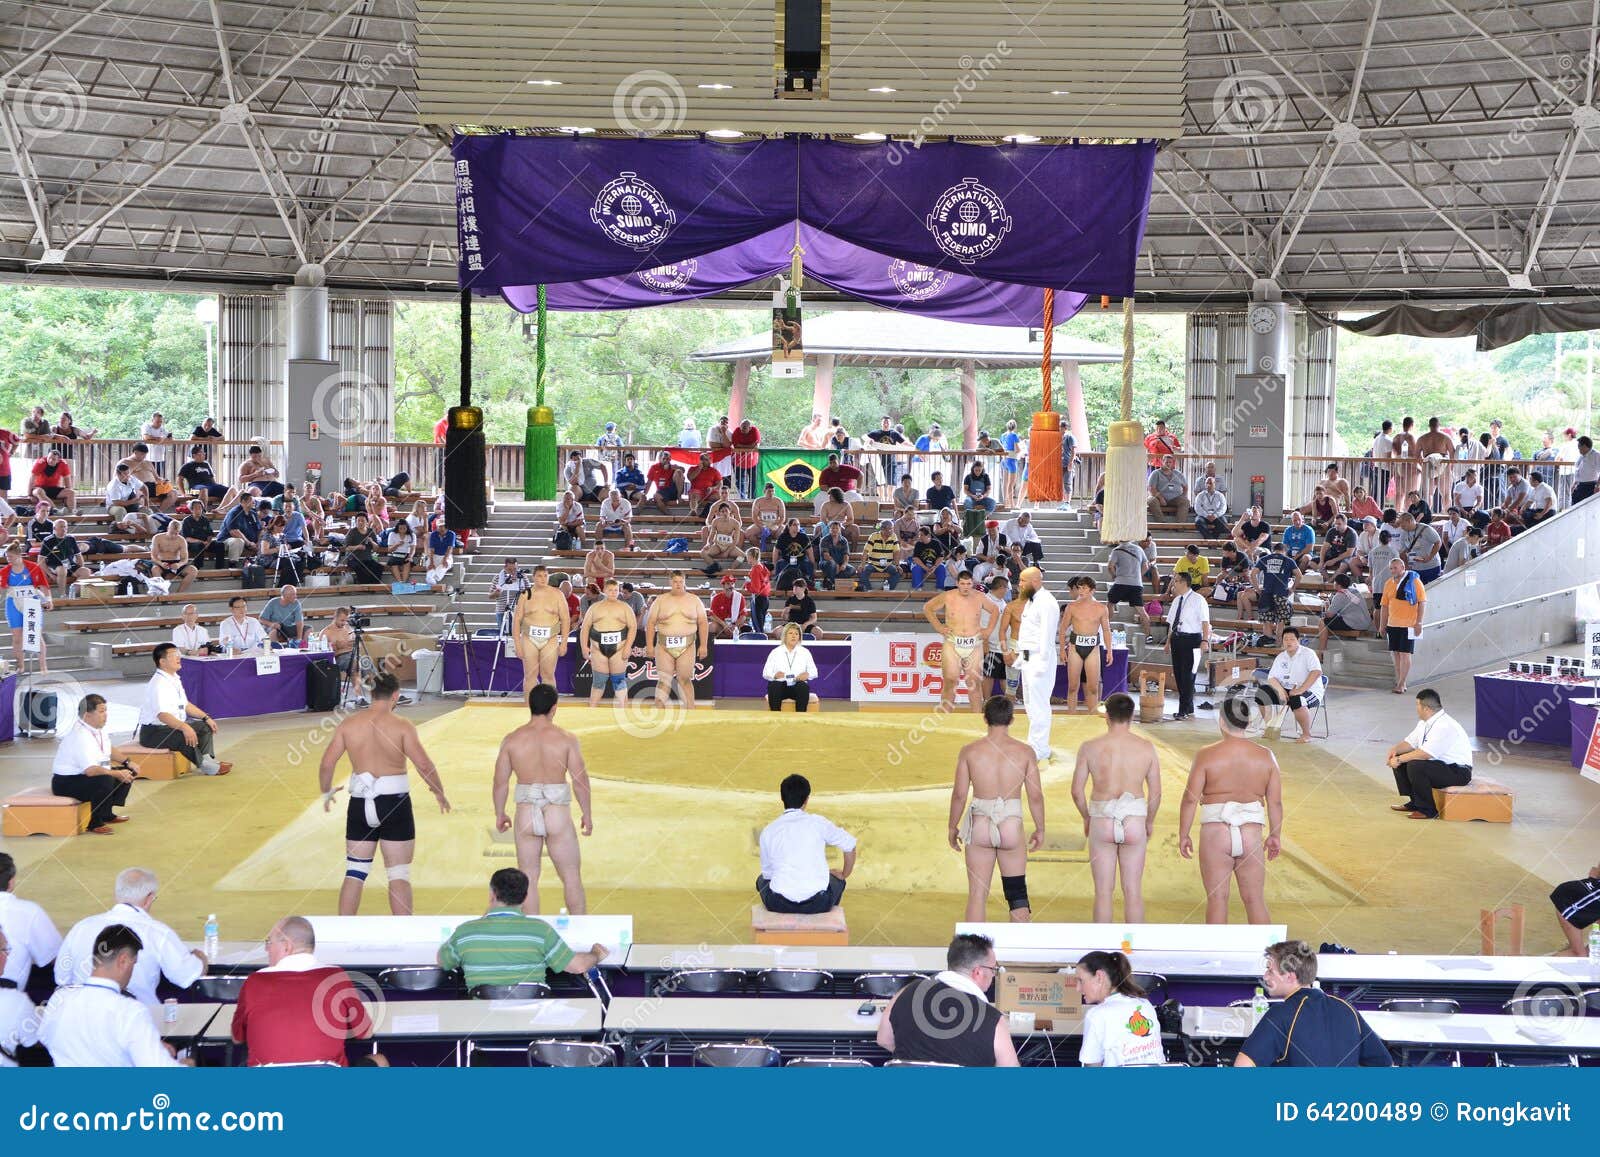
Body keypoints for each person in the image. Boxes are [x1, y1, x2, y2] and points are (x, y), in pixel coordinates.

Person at [319, 672, 450, 915]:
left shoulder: (349, 725)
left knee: (355, 871)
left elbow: (327, 764)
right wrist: (438, 792)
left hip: (360, 803)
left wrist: (326, 791)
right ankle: (404, 933)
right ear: (396, 695)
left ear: (371, 693)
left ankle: (343, 930)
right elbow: (423, 764)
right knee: (399, 873)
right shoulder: (402, 726)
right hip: (395, 803)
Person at [1178, 697, 1283, 924]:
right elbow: (1275, 802)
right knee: (1255, 899)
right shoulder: (1266, 756)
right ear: (1247, 722)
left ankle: (1218, 950)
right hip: (1251, 834)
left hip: (1216, 832)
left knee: (1217, 899)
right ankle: (1268, 949)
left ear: (1221, 722)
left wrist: (1183, 834)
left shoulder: (1206, 754)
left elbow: (1190, 799)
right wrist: (1275, 835)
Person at [492, 685, 593, 914]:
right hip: (557, 813)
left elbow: (500, 782)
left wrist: (500, 813)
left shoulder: (512, 740)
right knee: (571, 876)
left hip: (526, 813)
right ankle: (580, 927)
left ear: (530, 706)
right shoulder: (566, 739)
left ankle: (532, 931)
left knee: (527, 878)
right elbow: (580, 781)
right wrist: (586, 814)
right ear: (554, 708)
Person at [948, 696, 1045, 922]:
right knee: (1017, 896)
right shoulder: (1025, 752)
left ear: (985, 718)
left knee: (977, 896)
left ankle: (973, 948)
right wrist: (1040, 828)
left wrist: (952, 826)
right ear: (1011, 719)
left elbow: (959, 795)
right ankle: (1017, 945)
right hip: (1011, 826)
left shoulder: (970, 751)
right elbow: (1035, 796)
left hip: (980, 826)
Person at [232, 915, 372, 1066]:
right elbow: (365, 1032)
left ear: (287, 946)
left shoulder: (254, 981)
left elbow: (237, 1037)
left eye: (269, 942)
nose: (267, 949)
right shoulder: (336, 977)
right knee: (379, 1060)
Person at [1071, 694, 1161, 924]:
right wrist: (1149, 821)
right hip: (1135, 819)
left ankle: (1103, 946)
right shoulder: (1146, 748)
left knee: (1103, 892)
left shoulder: (1089, 747)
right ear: (1131, 717)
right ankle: (1133, 946)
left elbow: (1076, 791)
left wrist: (1087, 817)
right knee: (1133, 892)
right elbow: (1156, 793)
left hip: (1102, 818)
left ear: (1107, 717)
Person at [39, 925, 182, 1067]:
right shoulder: (131, 1011)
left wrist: (146, 1044)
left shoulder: (58, 1000)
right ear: (123, 961)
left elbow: (45, 1038)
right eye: (133, 963)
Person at [54, 868, 204, 1003]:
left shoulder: (81, 927)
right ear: (149, 898)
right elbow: (188, 976)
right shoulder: (158, 932)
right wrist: (200, 959)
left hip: (82, 1016)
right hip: (140, 1015)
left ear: (116, 895)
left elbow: (61, 977)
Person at [439, 869, 607, 988]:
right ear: (525, 897)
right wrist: (596, 954)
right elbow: (578, 966)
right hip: (532, 1017)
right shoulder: (541, 931)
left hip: (483, 1018)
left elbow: (442, 961)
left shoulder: (465, 932)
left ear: (492, 894)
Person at [1235, 940, 1392, 1067]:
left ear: (1289, 977)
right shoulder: (1347, 1009)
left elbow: (1243, 1067)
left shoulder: (1280, 1014)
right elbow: (1384, 1064)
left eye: (1270, 970)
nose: (1265, 977)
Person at [877, 933, 1017, 1067]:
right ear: (978, 972)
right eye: (993, 969)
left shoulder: (906, 991)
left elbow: (884, 1040)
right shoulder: (994, 1020)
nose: (993, 974)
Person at [757, 774, 857, 914]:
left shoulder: (769, 830)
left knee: (761, 880)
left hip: (779, 904)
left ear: (782, 798)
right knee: (838, 880)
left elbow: (768, 874)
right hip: (819, 903)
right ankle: (823, 914)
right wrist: (844, 874)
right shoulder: (818, 823)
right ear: (806, 799)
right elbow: (850, 845)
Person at [138, 643, 228, 775]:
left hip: (168, 727)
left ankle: (208, 760)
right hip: (154, 733)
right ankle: (206, 766)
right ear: (162, 662)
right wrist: (185, 727)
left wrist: (206, 717)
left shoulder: (174, 678)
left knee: (204, 726)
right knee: (182, 735)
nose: (178, 657)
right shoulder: (159, 684)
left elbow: (185, 705)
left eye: (178, 654)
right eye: (173, 655)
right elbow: (162, 715)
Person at [50, 694, 135, 834]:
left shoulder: (96, 728)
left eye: (106, 711)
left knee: (127, 772)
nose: (105, 715)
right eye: (101, 711)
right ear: (87, 715)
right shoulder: (80, 735)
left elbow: (108, 749)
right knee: (105, 779)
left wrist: (127, 762)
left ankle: (106, 814)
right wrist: (116, 773)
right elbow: (90, 771)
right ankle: (95, 823)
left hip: (83, 776)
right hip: (65, 783)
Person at [1385, 688, 1472, 819]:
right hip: (1441, 766)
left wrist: (1399, 759)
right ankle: (1415, 802)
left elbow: (1426, 754)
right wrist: (1394, 750)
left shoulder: (1445, 726)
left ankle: (1428, 810)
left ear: (1426, 708)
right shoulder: (1424, 723)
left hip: (1458, 772)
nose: (1416, 708)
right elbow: (1410, 743)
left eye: (1417, 705)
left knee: (1415, 765)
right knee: (1403, 760)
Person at [1076, 950, 1164, 1067]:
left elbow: (1091, 1067)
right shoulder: (1145, 1004)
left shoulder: (1096, 1015)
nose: (1078, 988)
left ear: (1099, 977)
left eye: (1081, 981)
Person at [923, 571, 993, 715]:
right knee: (950, 681)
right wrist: (939, 627)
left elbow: (995, 610)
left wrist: (988, 630)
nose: (965, 587)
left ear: (972, 583)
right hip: (952, 643)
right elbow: (928, 608)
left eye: (968, 583)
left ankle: (976, 719)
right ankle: (945, 718)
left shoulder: (980, 596)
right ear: (957, 583)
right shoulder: (948, 596)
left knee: (974, 683)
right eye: (962, 583)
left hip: (974, 644)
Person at [1013, 567, 1060, 765]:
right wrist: (1021, 656)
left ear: (1034, 581)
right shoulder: (1032, 601)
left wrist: (1042, 663)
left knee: (1039, 704)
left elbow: (1047, 636)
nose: (1019, 585)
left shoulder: (1047, 602)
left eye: (1022, 581)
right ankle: (1034, 743)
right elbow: (1028, 632)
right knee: (1030, 703)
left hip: (1040, 658)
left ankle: (1040, 749)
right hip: (1027, 657)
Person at [0, 853, 61, 988]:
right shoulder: (29, 911)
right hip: (8, 995)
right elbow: (56, 958)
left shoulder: (29, 911)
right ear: (11, 882)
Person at [649, 570, 708, 707]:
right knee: (664, 679)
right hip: (664, 644)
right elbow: (651, 623)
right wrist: (650, 646)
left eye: (681, 581)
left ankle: (690, 711)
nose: (678, 584)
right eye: (675, 581)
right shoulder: (660, 600)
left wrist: (703, 645)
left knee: (685, 679)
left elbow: (703, 622)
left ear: (684, 582)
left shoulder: (694, 600)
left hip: (687, 644)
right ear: (670, 582)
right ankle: (658, 710)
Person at [512, 565, 569, 695]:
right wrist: (517, 645)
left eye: (545, 576)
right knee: (530, 675)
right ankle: (529, 706)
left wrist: (564, 643)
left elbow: (565, 619)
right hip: (529, 638)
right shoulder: (525, 594)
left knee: (548, 674)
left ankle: (550, 705)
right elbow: (516, 620)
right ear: (533, 577)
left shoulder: (557, 594)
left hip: (550, 638)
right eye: (539, 576)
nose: (543, 578)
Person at [1056, 575, 1110, 712]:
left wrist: (1109, 651)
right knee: (1072, 686)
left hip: (1093, 648)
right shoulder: (1071, 607)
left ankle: (1092, 716)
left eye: (1084, 588)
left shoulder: (1101, 608)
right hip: (1075, 647)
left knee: (1093, 687)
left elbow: (1106, 630)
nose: (1081, 591)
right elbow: (1062, 629)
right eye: (1079, 588)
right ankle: (1071, 715)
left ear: (1092, 590)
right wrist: (1062, 650)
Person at [578, 578, 637, 706]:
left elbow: (633, 627)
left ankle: (624, 710)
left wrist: (628, 647)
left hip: (619, 648)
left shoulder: (625, 608)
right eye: (610, 590)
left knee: (619, 680)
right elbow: (585, 628)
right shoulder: (595, 607)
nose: (613, 592)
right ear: (604, 590)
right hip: (597, 648)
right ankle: (592, 710)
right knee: (599, 680)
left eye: (616, 590)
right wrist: (584, 647)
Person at [1260, 627, 1322, 742]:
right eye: (1286, 639)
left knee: (1297, 700)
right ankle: (1271, 728)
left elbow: (1316, 672)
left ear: (1298, 640)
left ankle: (1306, 734)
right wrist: (1280, 690)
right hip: (1287, 689)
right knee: (1262, 693)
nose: (1288, 642)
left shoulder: (1308, 653)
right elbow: (1272, 678)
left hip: (1310, 691)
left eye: (1292, 639)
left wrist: (1300, 690)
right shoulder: (1281, 657)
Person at [1164, 570, 1211, 720]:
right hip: (1177, 639)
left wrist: (1205, 640)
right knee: (1178, 673)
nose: (1174, 583)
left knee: (1188, 675)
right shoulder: (1177, 600)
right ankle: (1188, 707)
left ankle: (1182, 709)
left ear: (1184, 582)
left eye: (1176, 581)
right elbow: (1172, 624)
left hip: (1193, 640)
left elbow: (1205, 622)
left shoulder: (1198, 599)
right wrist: (1168, 642)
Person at [1376, 556, 1425, 694]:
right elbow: (1384, 606)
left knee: (1405, 654)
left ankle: (1402, 683)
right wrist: (1382, 625)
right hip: (1392, 624)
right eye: (1391, 568)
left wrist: (1419, 622)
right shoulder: (1388, 583)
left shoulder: (1414, 581)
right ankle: (1400, 681)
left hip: (1409, 624)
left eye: (1395, 568)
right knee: (1396, 654)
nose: (1393, 571)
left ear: (1403, 567)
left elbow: (1422, 602)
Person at [3, 542, 50, 671]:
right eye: (7, 557)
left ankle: (43, 666)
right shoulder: (5, 571)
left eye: (11, 557)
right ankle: (20, 666)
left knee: (36, 635)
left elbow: (43, 585)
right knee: (17, 637)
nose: (9, 559)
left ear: (19, 555)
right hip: (13, 603)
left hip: (31, 603)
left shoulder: (33, 567)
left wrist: (48, 600)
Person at [1550, 856, 1600, 956]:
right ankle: (1535, 964)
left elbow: (1594, 871)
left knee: (1593, 952)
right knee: (1579, 955)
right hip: (1569, 901)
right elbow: (1595, 872)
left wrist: (1593, 879)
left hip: (1576, 895)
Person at [1106, 538, 1154, 641]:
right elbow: (1146, 566)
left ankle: (1107, 629)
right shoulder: (1139, 549)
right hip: (1136, 584)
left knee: (1110, 604)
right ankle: (1148, 635)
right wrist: (1138, 576)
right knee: (1141, 611)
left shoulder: (1116, 550)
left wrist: (1114, 576)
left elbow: (1110, 566)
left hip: (1121, 582)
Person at [763, 622, 818, 711]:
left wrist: (807, 675)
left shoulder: (805, 652)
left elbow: (814, 672)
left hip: (796, 685)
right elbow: (765, 672)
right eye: (790, 633)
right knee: (775, 685)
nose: (793, 636)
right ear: (785, 636)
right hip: (781, 686)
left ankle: (801, 716)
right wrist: (774, 675)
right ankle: (775, 716)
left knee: (803, 686)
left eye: (796, 634)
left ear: (799, 637)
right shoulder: (775, 652)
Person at [1315, 573, 1372, 649]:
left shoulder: (1339, 595)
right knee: (1335, 618)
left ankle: (1322, 650)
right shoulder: (1354, 590)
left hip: (1356, 623)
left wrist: (1327, 605)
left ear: (1338, 585)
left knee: (1323, 622)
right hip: (1366, 622)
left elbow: (1329, 615)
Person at [37, 518, 89, 595]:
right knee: (62, 569)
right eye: (61, 527)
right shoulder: (48, 540)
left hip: (70, 565)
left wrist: (80, 567)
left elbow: (78, 556)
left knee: (86, 571)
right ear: (54, 528)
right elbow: (40, 560)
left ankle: (72, 592)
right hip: (54, 566)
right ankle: (62, 594)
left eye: (65, 527)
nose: (64, 529)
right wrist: (50, 574)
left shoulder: (71, 538)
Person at [859, 519, 900, 591]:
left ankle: (884, 591)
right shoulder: (874, 536)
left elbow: (896, 552)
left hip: (888, 565)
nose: (892, 531)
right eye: (890, 529)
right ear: (883, 529)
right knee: (862, 572)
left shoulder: (894, 536)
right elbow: (866, 551)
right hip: (873, 564)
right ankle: (869, 591)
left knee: (898, 572)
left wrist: (897, 565)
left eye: (892, 529)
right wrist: (862, 565)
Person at [491, 558, 530, 634]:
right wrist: (497, 592)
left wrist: (521, 588)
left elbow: (530, 594)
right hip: (502, 611)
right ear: (504, 567)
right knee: (504, 635)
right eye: (509, 570)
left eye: (515, 569)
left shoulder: (522, 577)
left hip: (518, 611)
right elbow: (490, 596)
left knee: (518, 635)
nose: (513, 572)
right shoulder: (498, 577)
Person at [1146, 454, 1188, 519]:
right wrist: (1161, 498)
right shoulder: (1156, 473)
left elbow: (1185, 487)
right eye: (1166, 462)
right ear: (1162, 462)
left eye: (1170, 462)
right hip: (1159, 499)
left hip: (1175, 498)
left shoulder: (1178, 474)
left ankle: (1180, 524)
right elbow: (1151, 489)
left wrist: (1183, 496)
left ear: (1172, 463)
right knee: (1151, 500)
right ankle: (1162, 521)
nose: (1168, 464)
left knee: (1185, 501)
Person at [1193, 474, 1228, 539]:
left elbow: (1223, 507)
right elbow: (1197, 508)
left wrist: (1215, 515)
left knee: (1224, 523)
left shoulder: (1220, 495)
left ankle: (1212, 539)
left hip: (1216, 516)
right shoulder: (1200, 495)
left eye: (1210, 483)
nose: (1208, 485)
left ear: (1214, 484)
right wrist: (1206, 515)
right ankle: (1210, 539)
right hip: (1204, 516)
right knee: (1198, 522)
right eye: (1207, 483)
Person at [1572, 435, 1599, 504]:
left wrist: (1597, 485)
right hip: (1579, 485)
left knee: (1587, 507)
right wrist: (1574, 484)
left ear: (1584, 446)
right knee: (1575, 505)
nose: (1578, 449)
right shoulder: (1581, 456)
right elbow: (1579, 470)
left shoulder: (1596, 455)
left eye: (1579, 447)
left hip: (1590, 486)